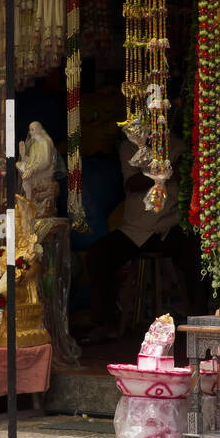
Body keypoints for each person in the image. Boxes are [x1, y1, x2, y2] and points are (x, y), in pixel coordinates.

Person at [81, 129, 199, 342]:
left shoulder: (178, 146)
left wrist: (175, 168)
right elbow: (132, 182)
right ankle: (106, 323)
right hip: (136, 229)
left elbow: (187, 178)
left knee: (196, 252)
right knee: (98, 255)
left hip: (169, 224)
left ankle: (199, 321)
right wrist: (163, 170)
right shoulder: (130, 147)